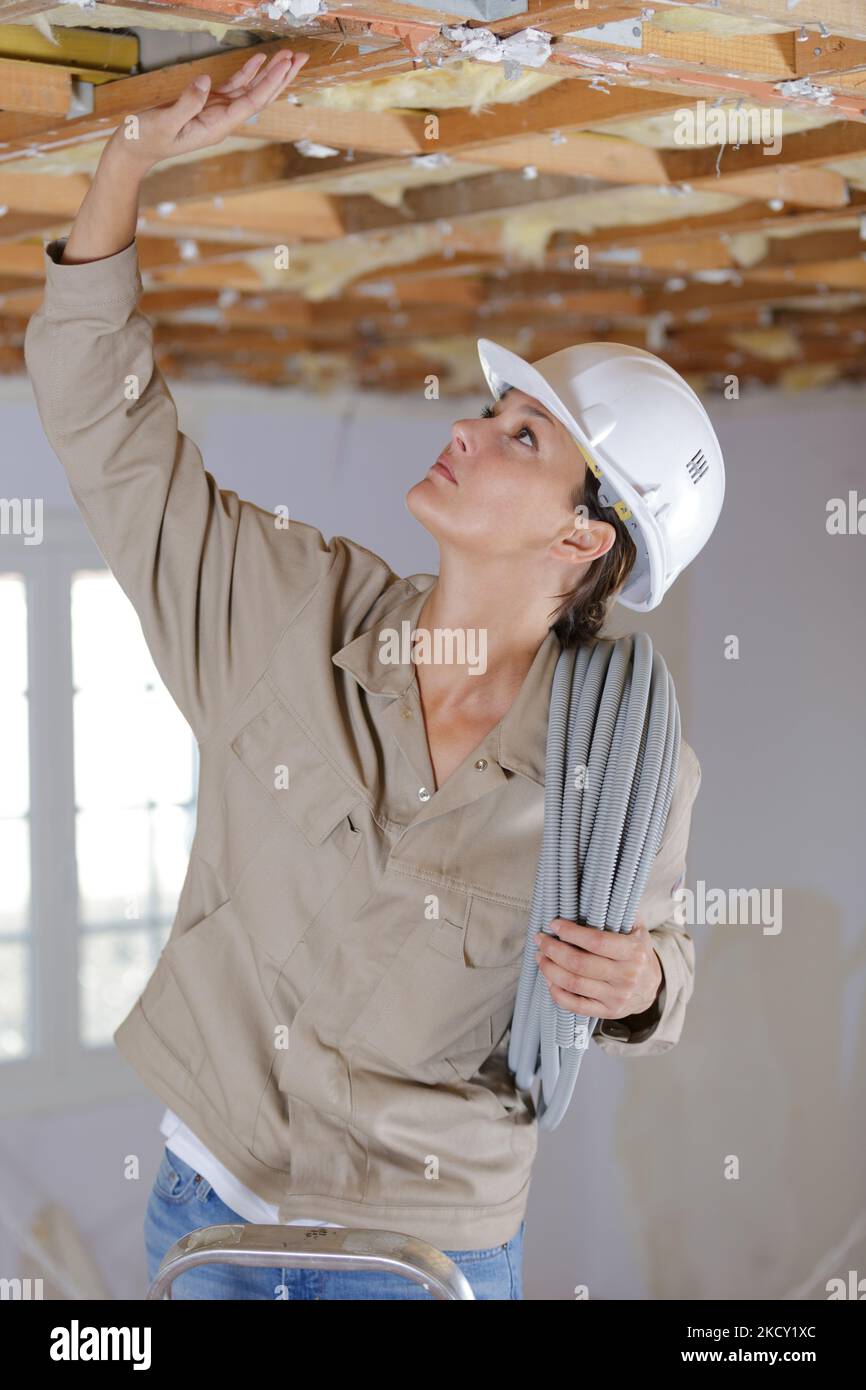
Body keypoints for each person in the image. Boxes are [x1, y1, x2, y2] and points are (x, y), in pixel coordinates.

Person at [24, 50, 721, 1300]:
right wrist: (126, 160)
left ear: (582, 536)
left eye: (521, 436)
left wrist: (643, 982)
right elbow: (102, 424)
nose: (464, 427)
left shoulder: (621, 754)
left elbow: (658, 956)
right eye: (486, 408)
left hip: (423, 1247)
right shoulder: (288, 613)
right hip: (213, 1206)